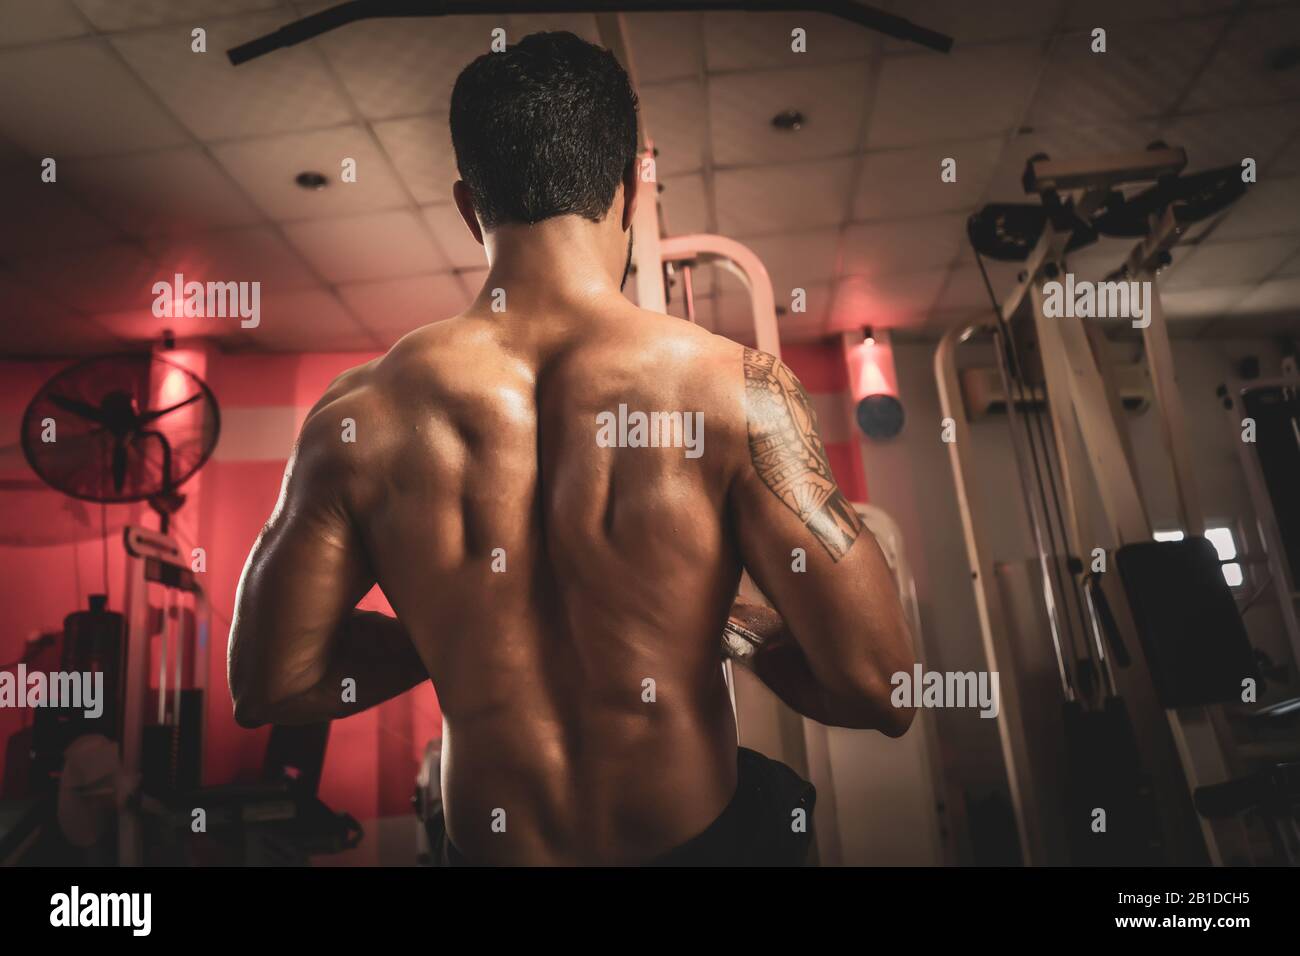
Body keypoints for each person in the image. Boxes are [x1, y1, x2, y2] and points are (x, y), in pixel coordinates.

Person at [228, 30, 915, 866]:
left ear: (467, 204)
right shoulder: (733, 391)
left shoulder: (359, 415)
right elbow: (884, 686)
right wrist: (729, 628)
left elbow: (273, 684)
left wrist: (455, 633)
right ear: (633, 186)